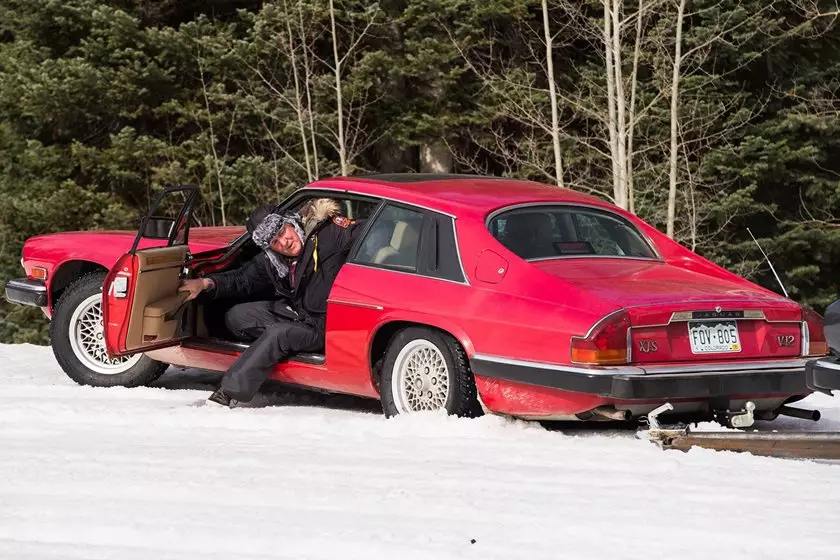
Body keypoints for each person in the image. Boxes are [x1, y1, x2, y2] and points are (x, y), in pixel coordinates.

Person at [179, 198, 364, 407]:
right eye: (274, 241)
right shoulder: (273, 260)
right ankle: (277, 348)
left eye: (282, 231)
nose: (284, 242)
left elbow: (368, 233)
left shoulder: (330, 235)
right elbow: (242, 279)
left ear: (290, 222)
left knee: (279, 334)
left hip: (325, 324)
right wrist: (204, 283)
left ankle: (227, 392)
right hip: (299, 312)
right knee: (237, 316)